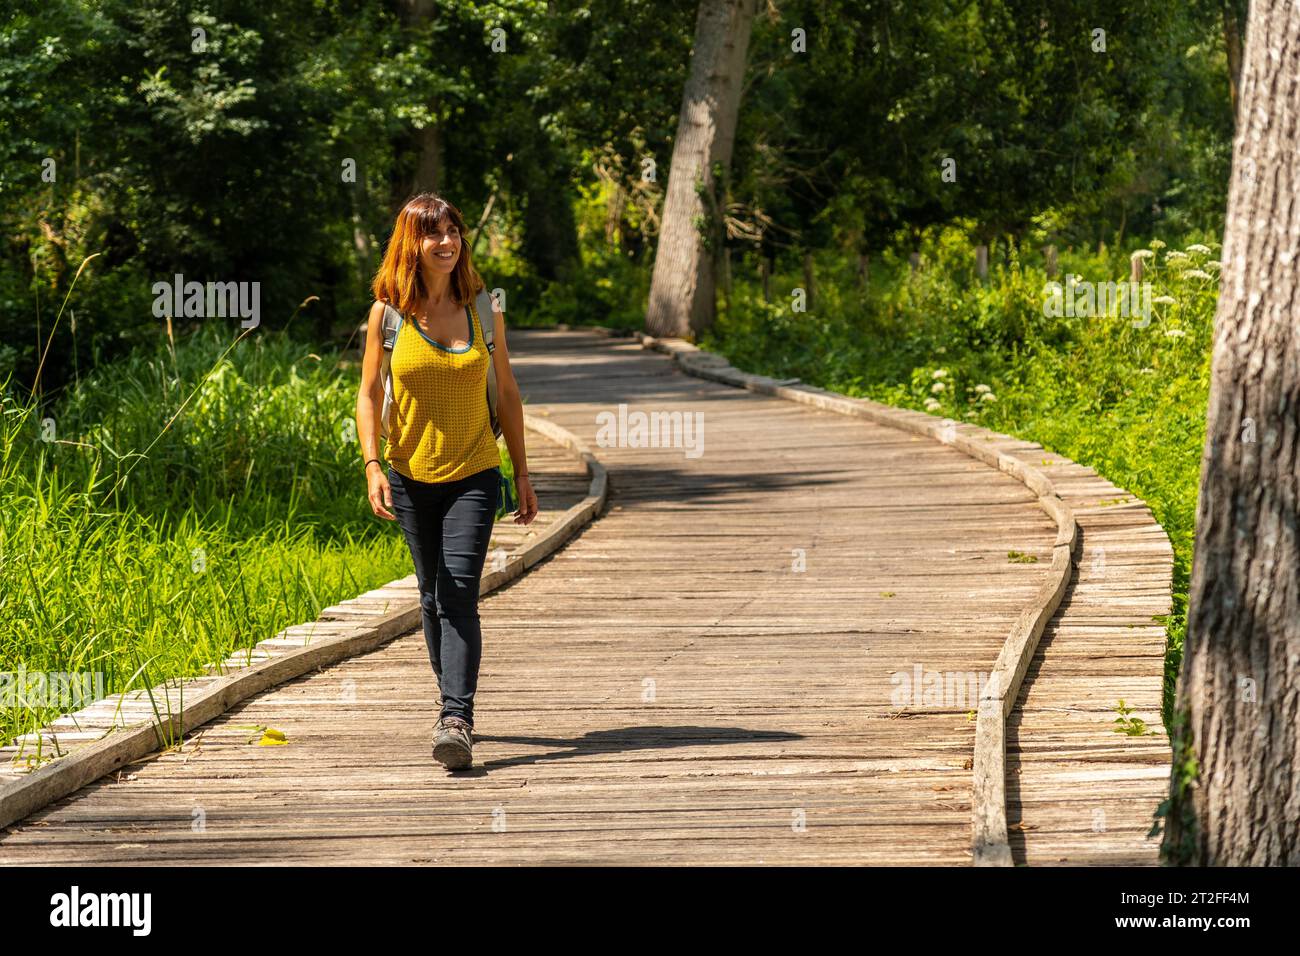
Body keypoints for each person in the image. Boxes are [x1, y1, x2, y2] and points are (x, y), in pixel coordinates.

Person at [355, 192, 538, 771]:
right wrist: (372, 465)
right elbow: (367, 396)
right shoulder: (388, 316)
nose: (448, 242)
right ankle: (449, 700)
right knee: (430, 595)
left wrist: (523, 472)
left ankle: (456, 716)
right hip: (409, 476)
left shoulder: (483, 308)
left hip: (476, 473)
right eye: (434, 234)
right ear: (412, 243)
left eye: (454, 231)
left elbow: (506, 392)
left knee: (458, 592)